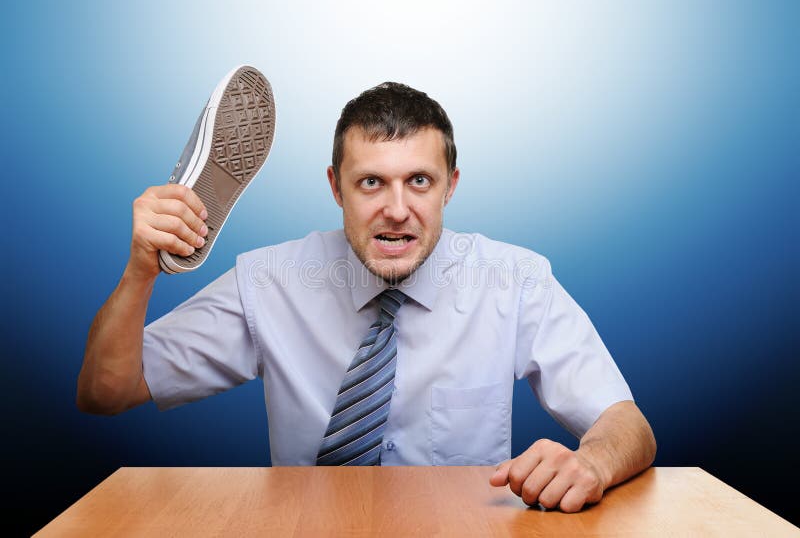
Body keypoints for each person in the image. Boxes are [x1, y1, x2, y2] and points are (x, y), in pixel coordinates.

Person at [77, 82, 656, 513]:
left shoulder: (516, 280)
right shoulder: (269, 280)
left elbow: (626, 424)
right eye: (371, 182)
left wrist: (591, 463)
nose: (397, 210)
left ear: (451, 186)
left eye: (419, 181)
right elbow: (106, 391)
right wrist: (140, 272)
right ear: (336, 187)